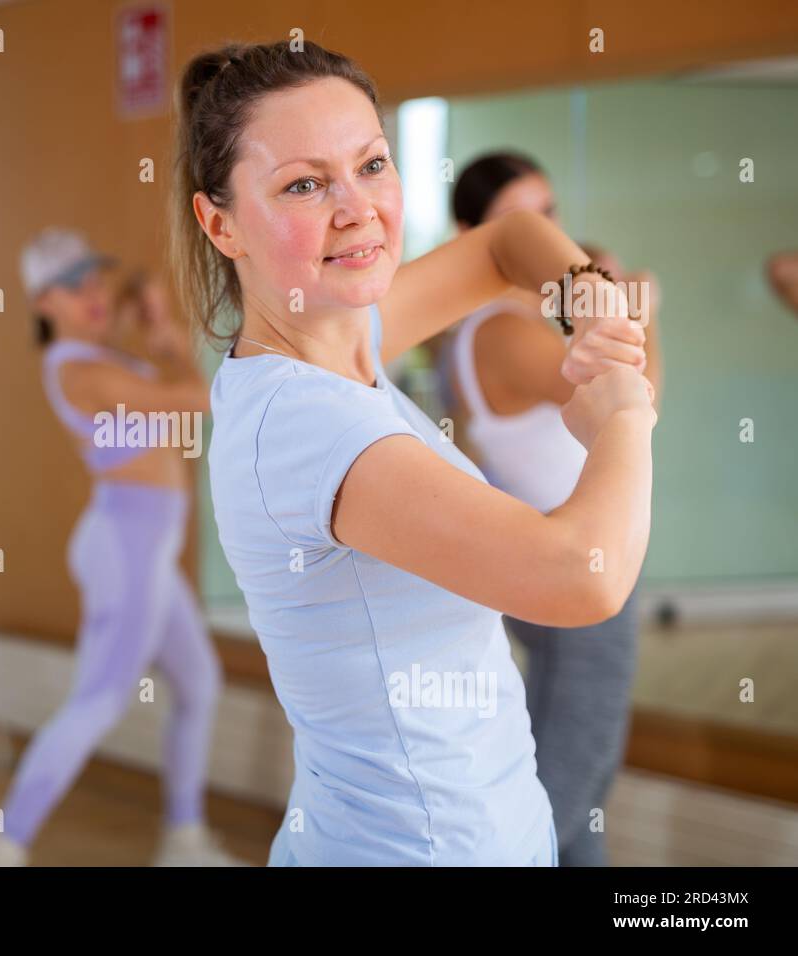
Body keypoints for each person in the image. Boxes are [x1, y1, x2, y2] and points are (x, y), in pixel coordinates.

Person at [174, 41, 656, 865]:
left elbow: (510, 239)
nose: (357, 207)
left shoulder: (330, 338)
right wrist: (623, 413)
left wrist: (589, 309)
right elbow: (586, 574)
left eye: (371, 165)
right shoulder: (307, 423)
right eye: (303, 183)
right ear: (220, 223)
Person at [0, 229, 240, 866]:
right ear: (42, 302)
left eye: (95, 277)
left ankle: (184, 840)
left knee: (199, 683)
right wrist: (168, 345)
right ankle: (4, 846)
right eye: (74, 283)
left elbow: (184, 402)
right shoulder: (78, 369)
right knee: (100, 698)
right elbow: (197, 405)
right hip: (127, 547)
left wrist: (160, 334)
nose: (92, 292)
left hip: (148, 549)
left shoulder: (110, 358)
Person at [441, 153, 663, 865]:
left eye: (550, 210)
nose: (545, 231)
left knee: (578, 788)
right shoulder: (503, 332)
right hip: (576, 578)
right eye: (521, 218)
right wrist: (641, 313)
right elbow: (638, 402)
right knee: (565, 792)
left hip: (568, 571)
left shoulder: (504, 325)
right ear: (472, 232)